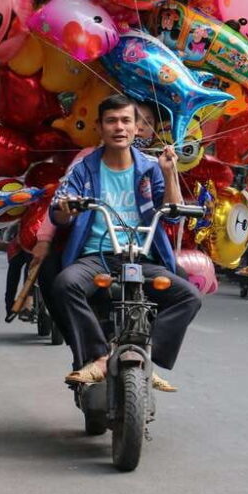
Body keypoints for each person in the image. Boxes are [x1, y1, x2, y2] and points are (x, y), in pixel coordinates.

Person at [49, 94, 202, 391]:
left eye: (125, 121)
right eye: (111, 121)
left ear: (136, 128)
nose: (119, 127)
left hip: (142, 258)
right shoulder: (83, 169)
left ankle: (146, 357)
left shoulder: (151, 167)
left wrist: (170, 172)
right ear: (99, 127)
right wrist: (66, 208)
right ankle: (98, 357)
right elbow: (58, 211)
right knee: (65, 284)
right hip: (96, 258)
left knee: (189, 296)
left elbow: (171, 213)